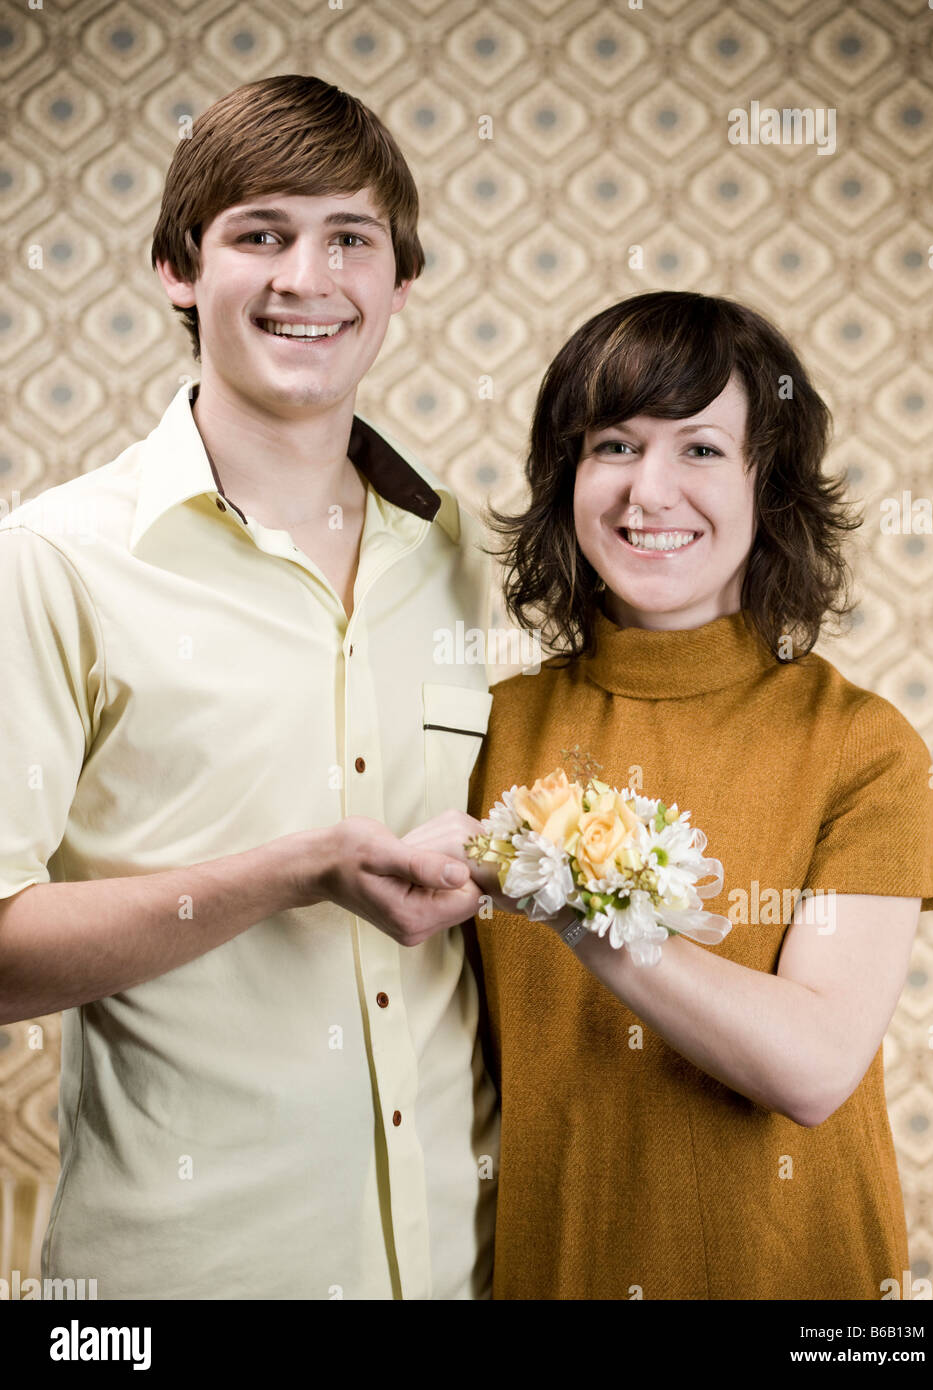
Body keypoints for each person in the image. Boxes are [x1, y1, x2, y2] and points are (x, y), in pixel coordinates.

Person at [0, 75, 499, 1300]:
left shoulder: (479, 564)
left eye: (349, 241)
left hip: (466, 1270)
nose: (305, 280)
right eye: (260, 235)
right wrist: (296, 869)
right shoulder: (56, 557)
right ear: (181, 268)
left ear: (400, 284)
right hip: (181, 1285)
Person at [415, 290, 933, 1299]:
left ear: (774, 487)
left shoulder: (862, 744)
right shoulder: (483, 730)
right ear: (565, 479)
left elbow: (811, 1065)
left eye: (703, 450)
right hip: (556, 1271)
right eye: (614, 447)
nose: (649, 492)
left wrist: (574, 902)